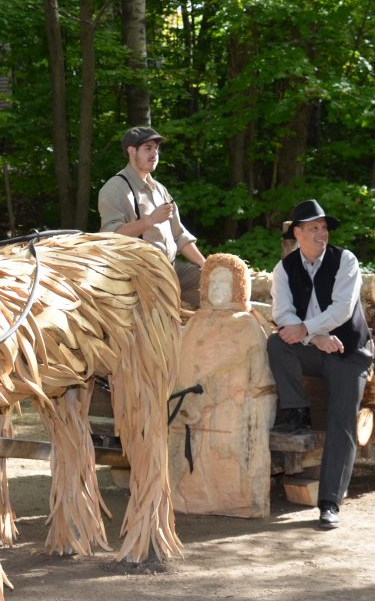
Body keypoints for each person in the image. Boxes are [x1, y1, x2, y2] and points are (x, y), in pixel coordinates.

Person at [267, 199, 373, 529]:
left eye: (324, 227)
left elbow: (342, 309)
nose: (321, 233)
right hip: (316, 348)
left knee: (342, 421)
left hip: (348, 351)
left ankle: (329, 503)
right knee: (276, 343)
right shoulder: (284, 269)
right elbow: (282, 314)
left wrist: (308, 330)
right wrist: (315, 338)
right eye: (314, 228)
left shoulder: (346, 261)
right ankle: (297, 409)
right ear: (297, 233)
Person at [168, 253, 276, 518]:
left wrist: (203, 399)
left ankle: (237, 503)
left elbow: (248, 373)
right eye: (213, 283)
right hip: (190, 408)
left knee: (226, 454)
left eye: (224, 284)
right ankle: (188, 498)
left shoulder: (247, 324)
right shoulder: (195, 321)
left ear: (238, 288)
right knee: (190, 453)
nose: (217, 290)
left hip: (232, 408)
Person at [97, 126, 205, 309]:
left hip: (170, 268)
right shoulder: (115, 188)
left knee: (213, 284)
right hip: (140, 275)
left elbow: (180, 236)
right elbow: (110, 237)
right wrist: (149, 221)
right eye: (148, 148)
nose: (154, 154)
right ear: (131, 151)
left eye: (156, 149)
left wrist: (206, 265)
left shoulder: (160, 189)